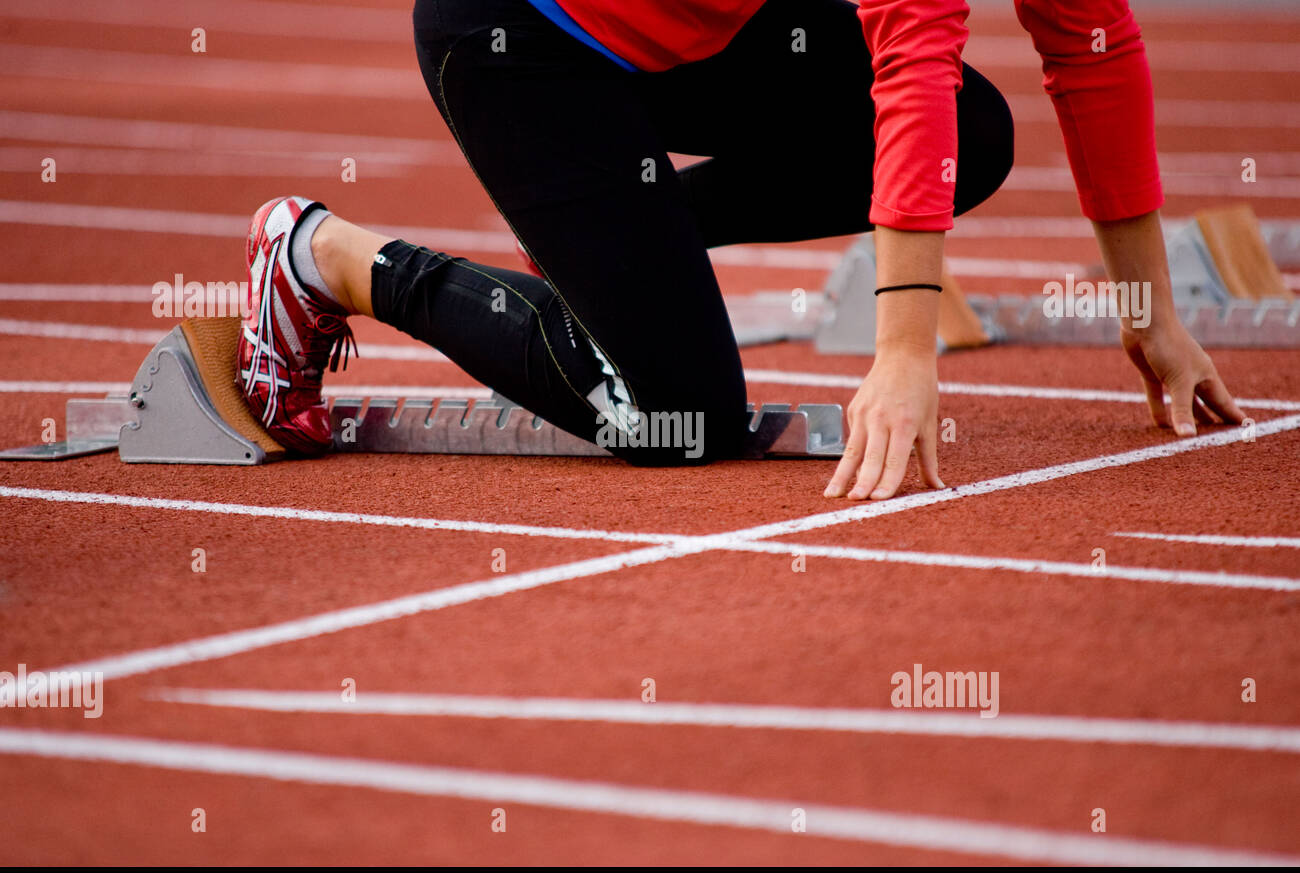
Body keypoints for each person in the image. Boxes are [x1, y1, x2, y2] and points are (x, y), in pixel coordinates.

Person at [238, 0, 1242, 501]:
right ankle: (320, 257)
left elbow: (1092, 46)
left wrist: (1149, 316)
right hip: (527, 37)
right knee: (680, 419)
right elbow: (909, 67)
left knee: (977, 133)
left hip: (710, 36)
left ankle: (614, 235)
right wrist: (900, 356)